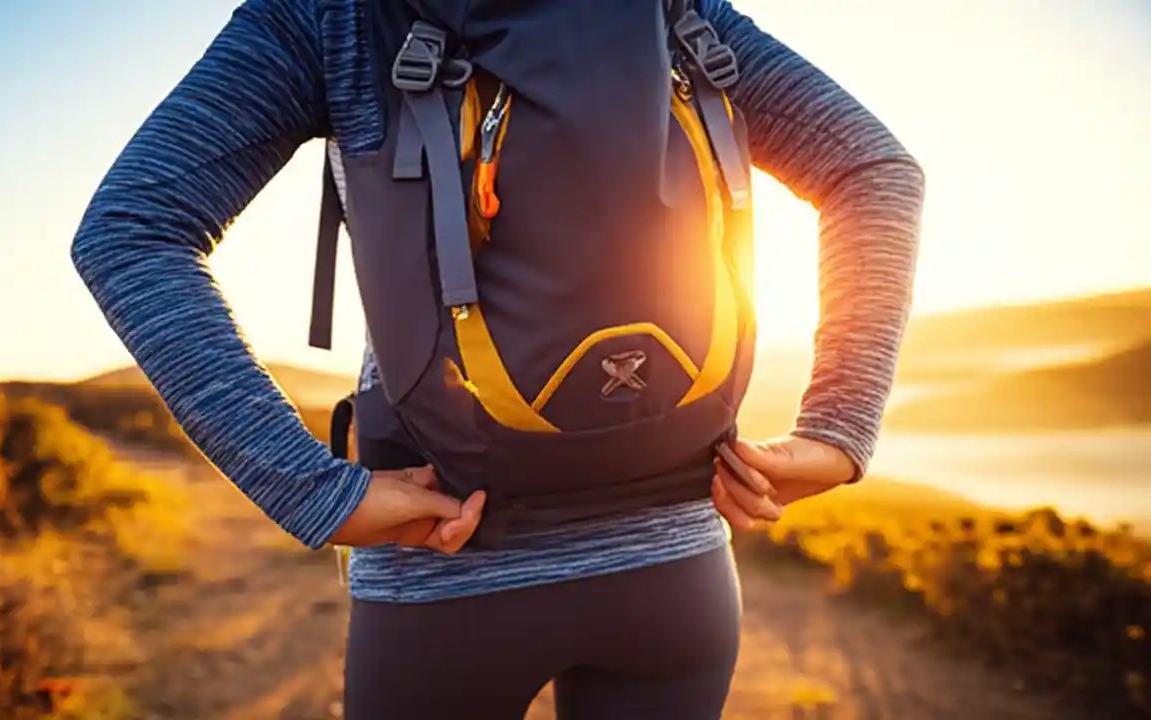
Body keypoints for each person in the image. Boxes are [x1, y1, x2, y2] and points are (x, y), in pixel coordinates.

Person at [70, 1, 924, 718]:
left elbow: (131, 230)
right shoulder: (669, 6)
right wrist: (840, 425)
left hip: (443, 556)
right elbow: (873, 167)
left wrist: (315, 490)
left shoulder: (335, 14)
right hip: (673, 561)